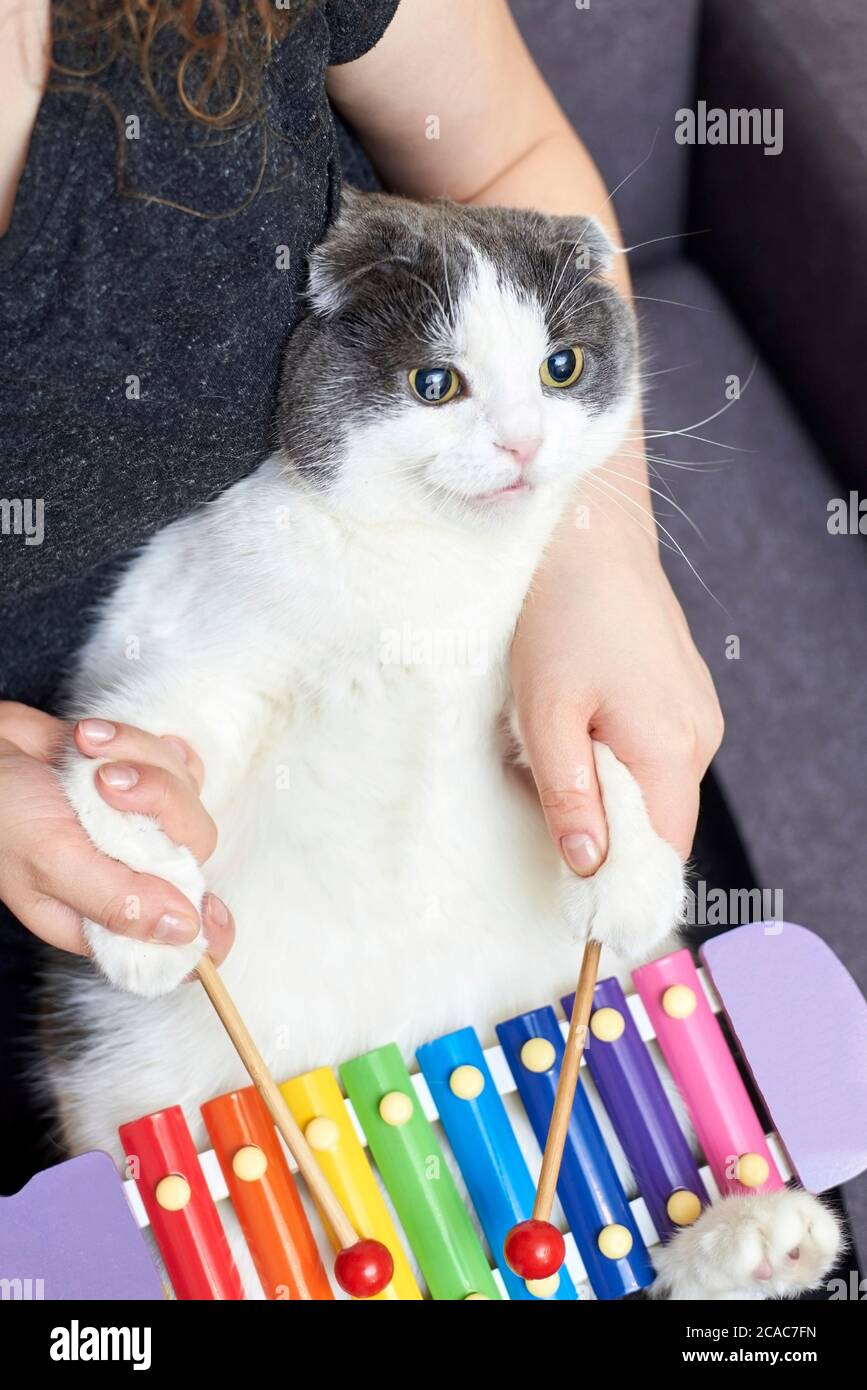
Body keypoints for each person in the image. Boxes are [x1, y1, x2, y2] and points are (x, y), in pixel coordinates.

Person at [0, 1, 721, 1187]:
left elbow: (510, 163)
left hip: (515, 710)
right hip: (99, 893)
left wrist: (601, 555)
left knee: (642, 1174)